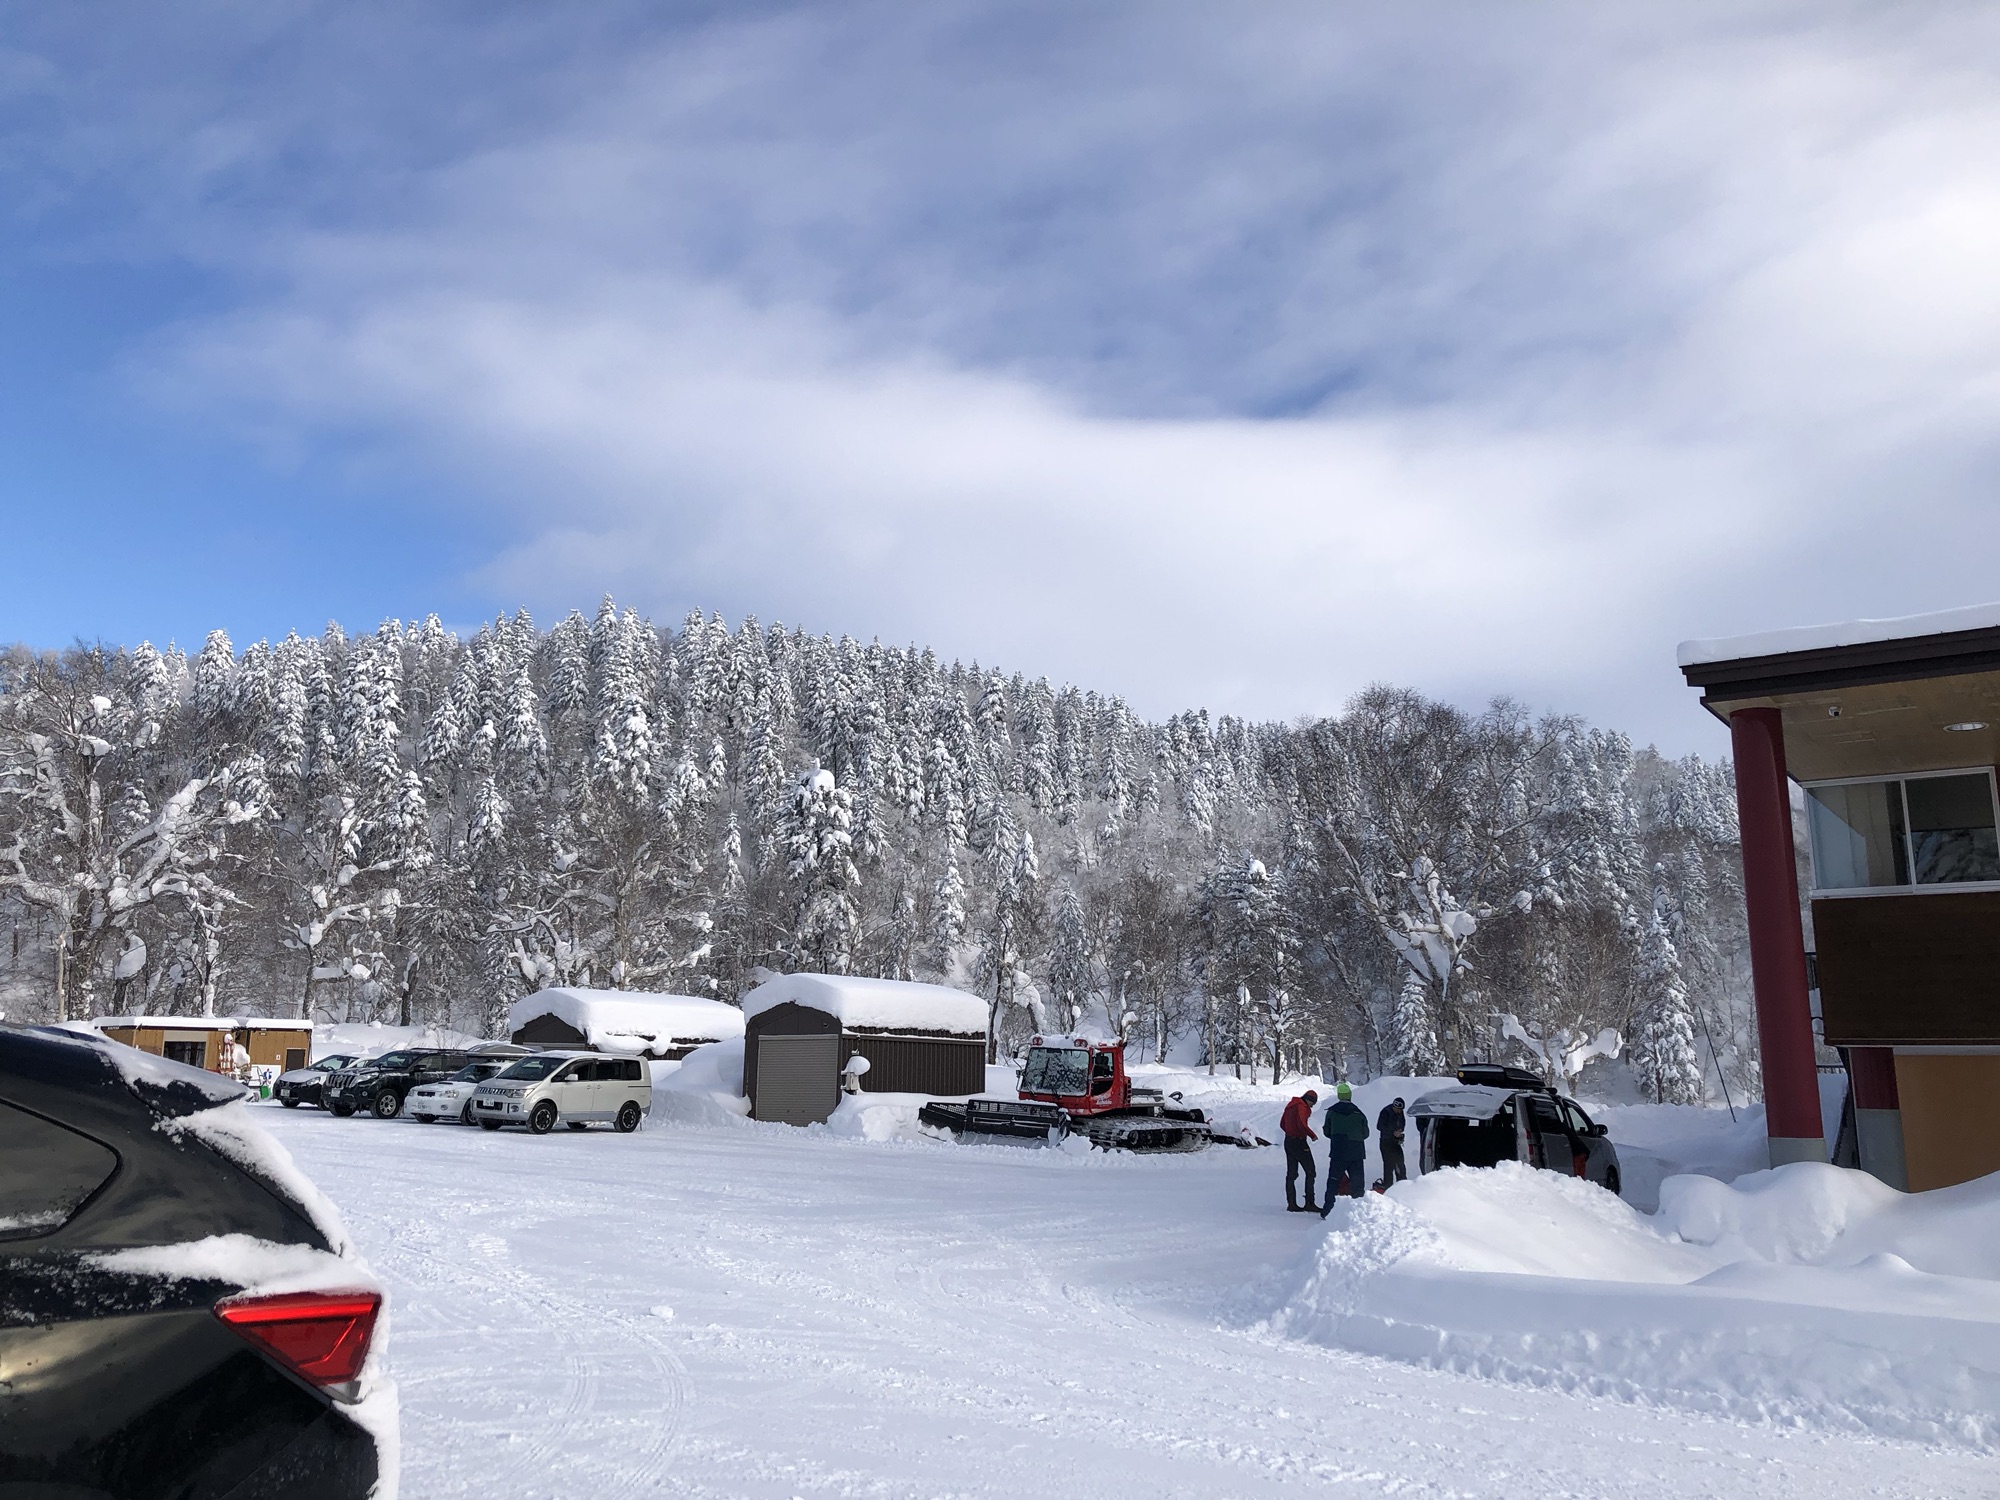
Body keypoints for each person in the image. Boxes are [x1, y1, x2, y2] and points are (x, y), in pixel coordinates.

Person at [1320, 1082, 1369, 1213]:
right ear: (1350, 1095)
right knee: (1357, 1182)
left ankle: (1328, 1210)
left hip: (1338, 1151)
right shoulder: (1358, 1112)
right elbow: (1366, 1133)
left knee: (1334, 1181)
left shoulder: (1332, 1112)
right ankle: (1358, 1211)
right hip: (1356, 1152)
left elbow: (1326, 1131)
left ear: (1339, 1095)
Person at [1279, 1088, 1320, 1212]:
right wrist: (1311, 1135)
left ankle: (1291, 1203)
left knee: (1291, 1174)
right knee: (1311, 1172)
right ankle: (1309, 1202)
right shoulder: (1302, 1107)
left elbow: (1282, 1124)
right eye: (1313, 1103)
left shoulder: (1291, 1105)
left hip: (1288, 1141)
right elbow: (1302, 1123)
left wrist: (1290, 1132)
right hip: (1299, 1142)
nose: (1312, 1107)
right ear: (1309, 1100)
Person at [1376, 1096, 1408, 1188]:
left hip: (1396, 1142)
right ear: (1394, 1107)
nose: (1399, 1112)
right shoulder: (1385, 1112)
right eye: (1397, 1109)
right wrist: (1393, 1132)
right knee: (1389, 1165)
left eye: (1400, 1110)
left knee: (1400, 1163)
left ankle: (1402, 1184)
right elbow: (1379, 1126)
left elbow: (1402, 1123)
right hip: (1386, 1142)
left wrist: (1400, 1132)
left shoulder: (1400, 1113)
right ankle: (1388, 1185)